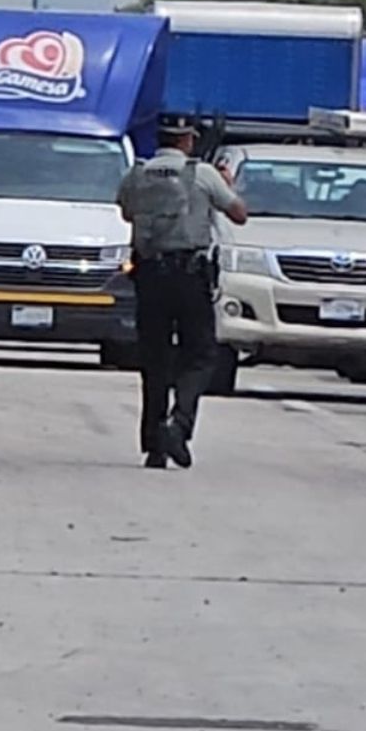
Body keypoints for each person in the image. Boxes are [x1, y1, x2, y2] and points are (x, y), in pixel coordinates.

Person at [115, 115, 249, 470]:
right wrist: (227, 185)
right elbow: (239, 214)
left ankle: (154, 444)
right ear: (188, 140)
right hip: (189, 277)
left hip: (150, 275)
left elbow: (127, 212)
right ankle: (179, 423)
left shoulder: (137, 173)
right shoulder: (201, 174)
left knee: (155, 359)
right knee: (201, 354)